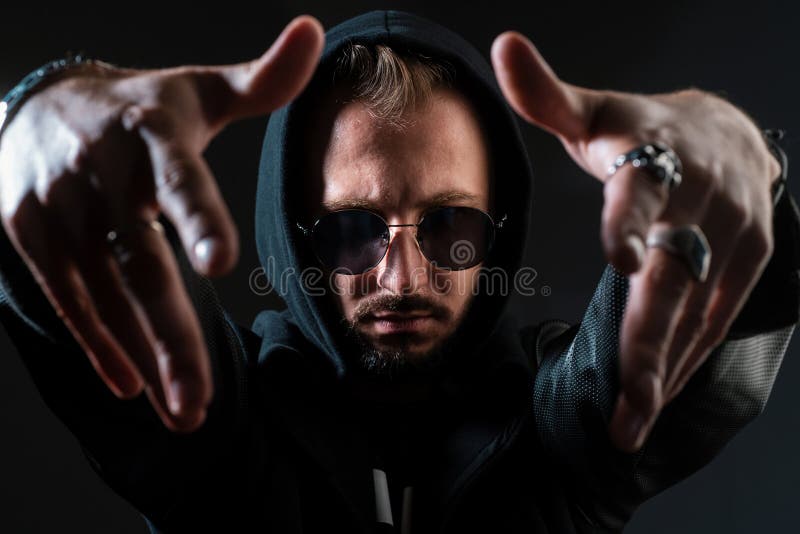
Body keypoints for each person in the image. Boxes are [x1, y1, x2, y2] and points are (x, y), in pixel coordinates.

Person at [0, 9, 797, 534]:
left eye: (451, 224)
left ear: (498, 233)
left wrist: (742, 175)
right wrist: (31, 129)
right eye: (352, 229)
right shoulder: (218, 428)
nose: (403, 274)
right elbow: (95, 289)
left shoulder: (560, 432)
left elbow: (672, 367)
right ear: (296, 237)